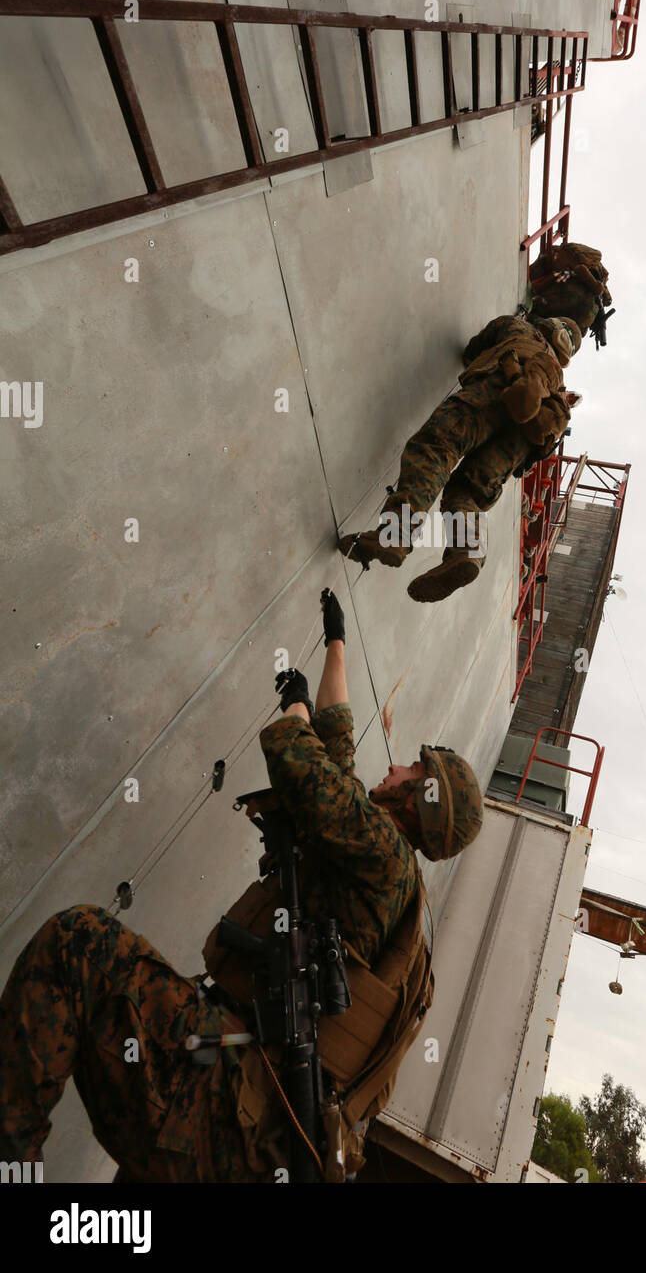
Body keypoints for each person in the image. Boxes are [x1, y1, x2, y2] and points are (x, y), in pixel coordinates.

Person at [0, 590, 483, 1182]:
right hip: (245, 1124)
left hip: (221, 1099)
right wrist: (336, 643)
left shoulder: (383, 856)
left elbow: (304, 769)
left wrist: (294, 713)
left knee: (75, 945)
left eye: (412, 769)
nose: (398, 767)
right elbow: (338, 752)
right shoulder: (388, 876)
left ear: (421, 798)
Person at [338, 313, 583, 602]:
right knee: (467, 492)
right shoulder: (557, 388)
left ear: (549, 326)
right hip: (519, 443)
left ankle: (395, 534)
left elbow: (472, 349)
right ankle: (467, 550)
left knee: (436, 449)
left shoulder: (520, 329)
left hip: (492, 395)